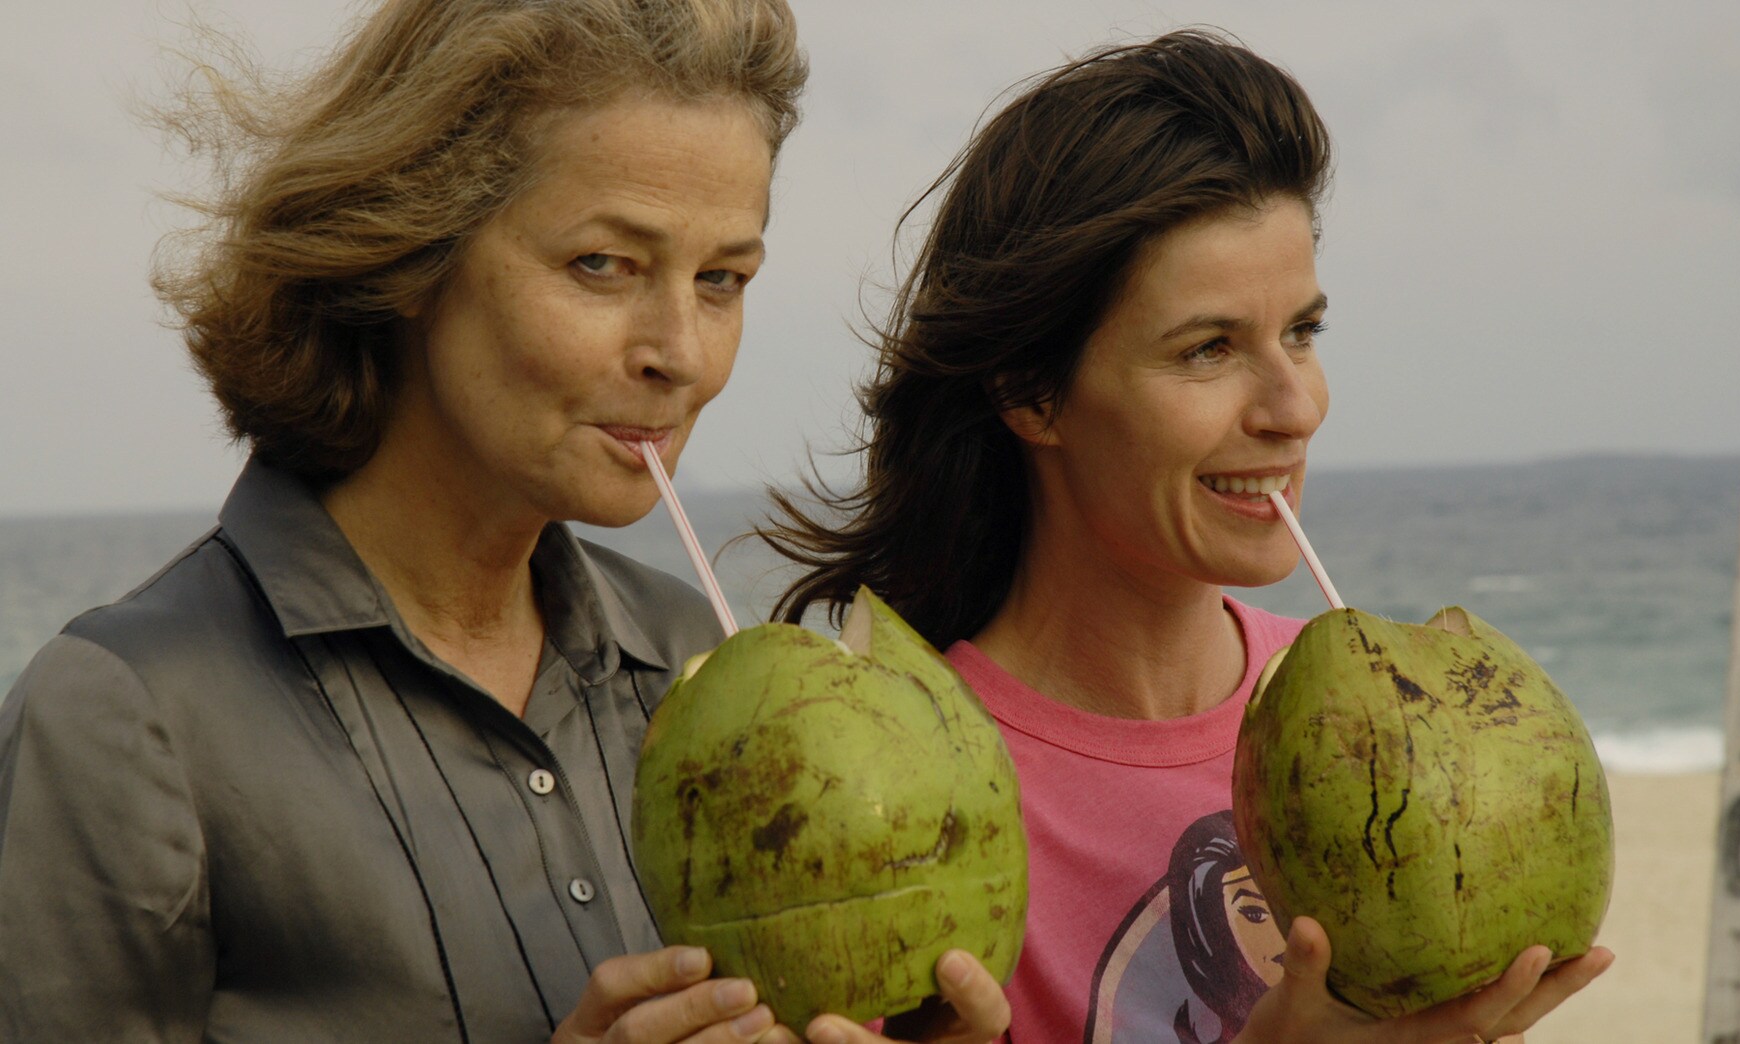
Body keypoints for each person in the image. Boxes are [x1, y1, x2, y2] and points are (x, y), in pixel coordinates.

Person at [0, 2, 1009, 1042]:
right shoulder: (130, 719)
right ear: (409, 250)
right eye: (602, 266)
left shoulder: (692, 671)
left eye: (721, 281)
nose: (683, 354)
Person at [762, 29, 1614, 1043]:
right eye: (1208, 349)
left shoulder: (1383, 743)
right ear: (1030, 392)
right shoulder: (907, 796)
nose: (1293, 406)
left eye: (1300, 332)